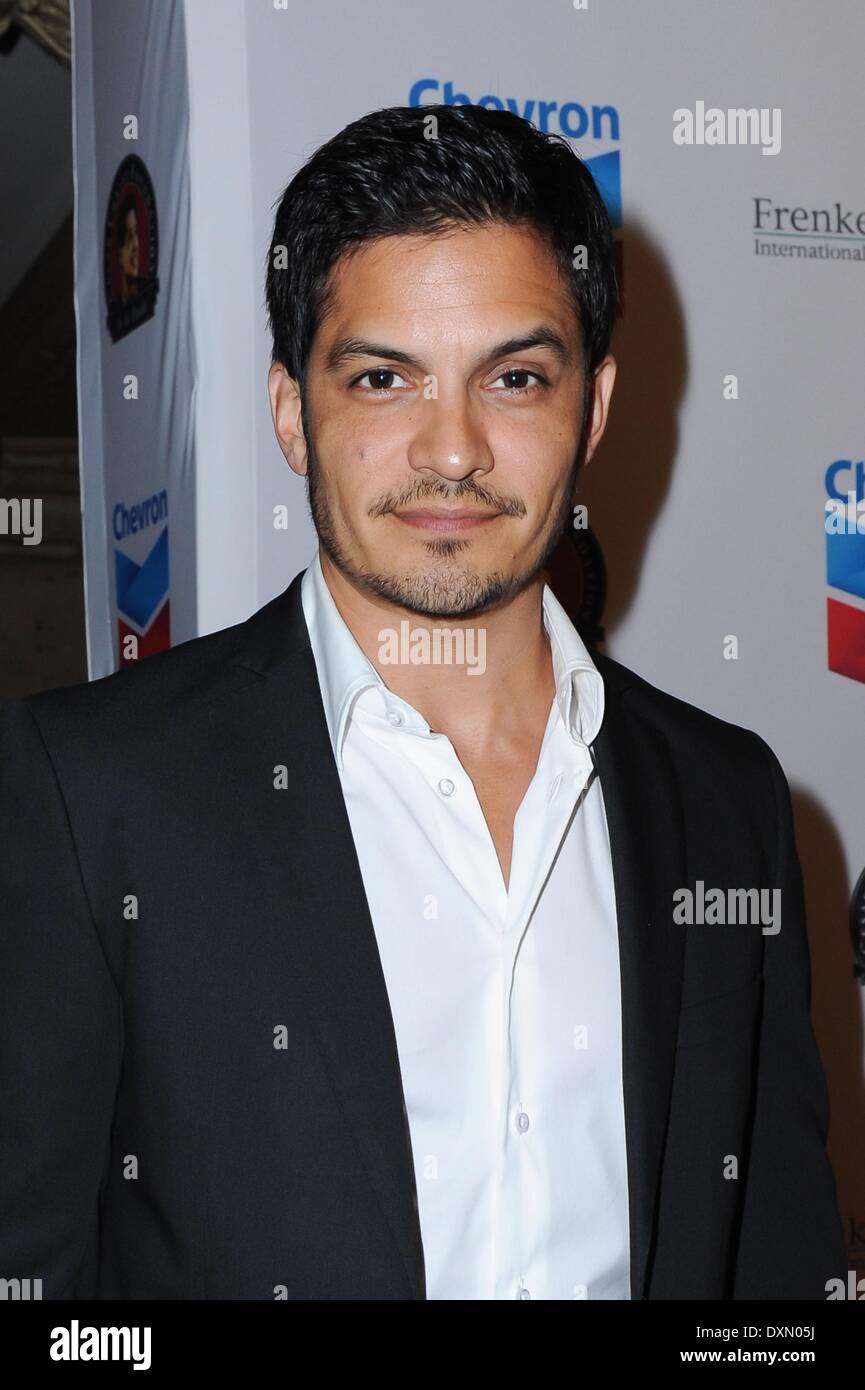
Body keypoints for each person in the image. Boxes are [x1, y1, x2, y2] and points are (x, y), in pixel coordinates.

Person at [0, 104, 846, 1300]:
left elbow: (773, 1266)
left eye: (513, 376)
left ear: (592, 407)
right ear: (295, 411)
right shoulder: (90, 791)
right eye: (384, 377)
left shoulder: (723, 796)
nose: (452, 450)